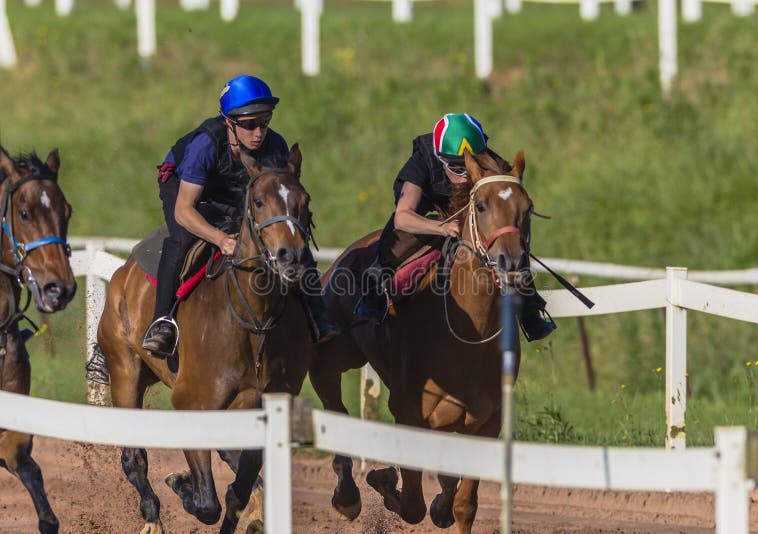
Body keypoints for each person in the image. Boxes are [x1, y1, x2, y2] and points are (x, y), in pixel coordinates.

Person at [142, 74, 338, 356]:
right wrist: (221, 239)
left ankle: (318, 314)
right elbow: (184, 211)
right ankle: (162, 321)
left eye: (265, 122)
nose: (259, 132)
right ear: (228, 123)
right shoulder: (205, 146)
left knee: (292, 241)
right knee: (183, 238)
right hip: (188, 190)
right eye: (249, 125)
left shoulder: (276, 146)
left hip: (239, 188)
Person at [353, 112, 555, 342]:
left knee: (512, 248)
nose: (464, 176)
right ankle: (373, 295)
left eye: (469, 166)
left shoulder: (489, 161)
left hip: (471, 211)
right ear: (441, 160)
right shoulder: (422, 162)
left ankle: (530, 310)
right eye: (457, 169)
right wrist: (440, 227)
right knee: (394, 242)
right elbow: (403, 217)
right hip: (426, 212)